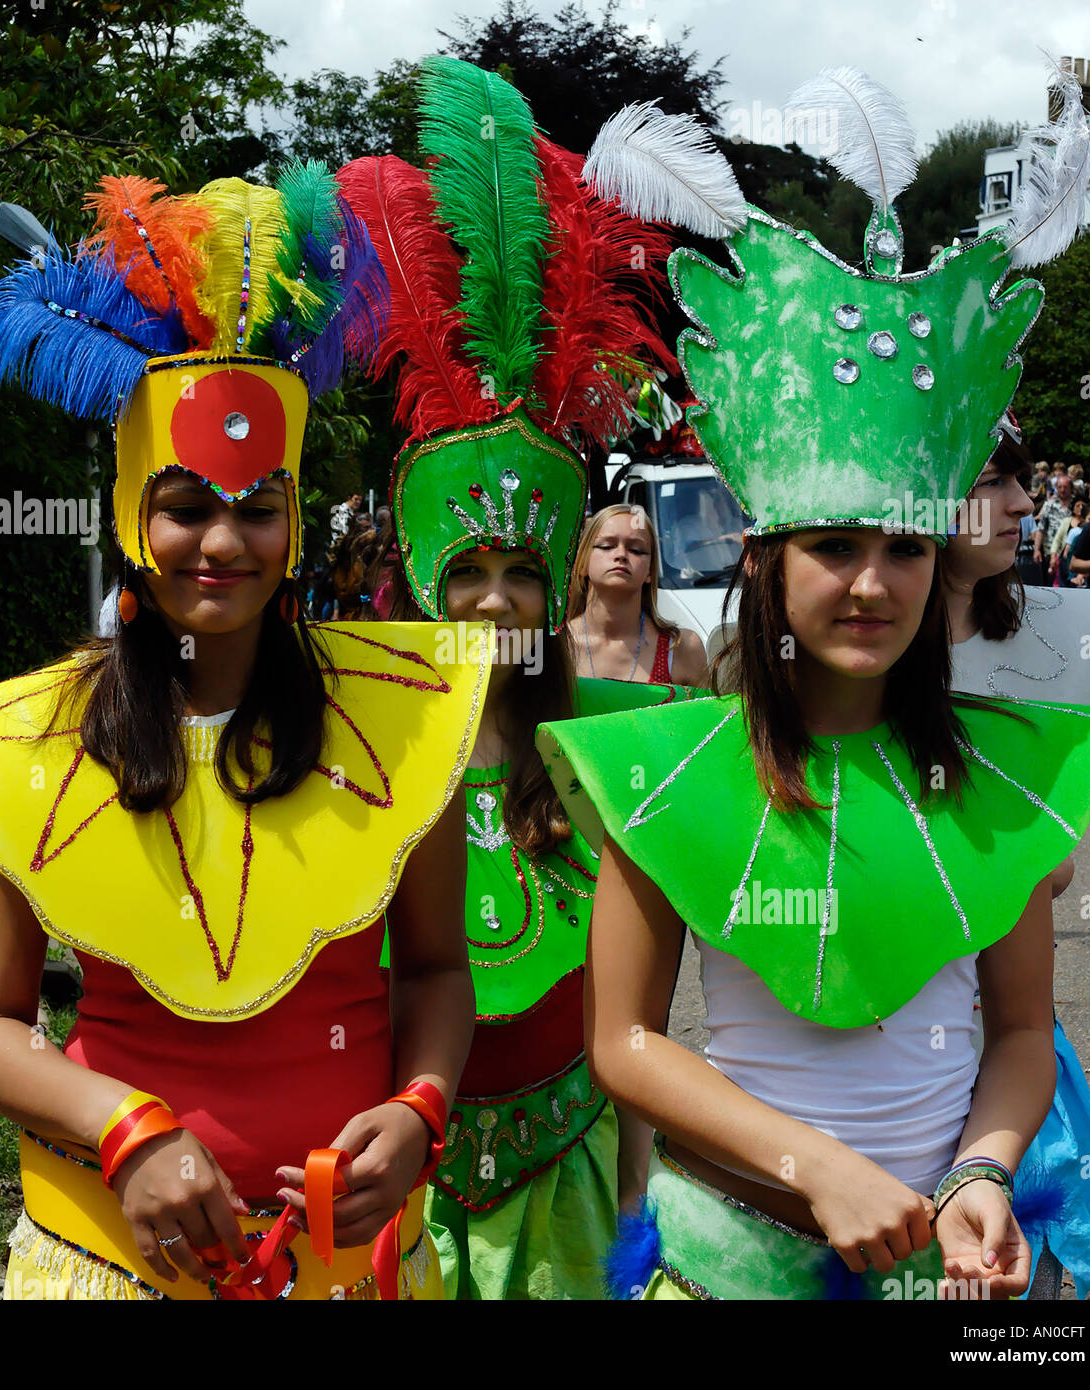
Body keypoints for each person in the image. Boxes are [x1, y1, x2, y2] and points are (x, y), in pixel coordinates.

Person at [540, 69, 1090, 1301]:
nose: (870, 584)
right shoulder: (666, 766)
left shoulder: (1006, 776)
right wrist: (815, 1171)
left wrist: (979, 1176)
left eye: (902, 547)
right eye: (833, 547)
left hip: (952, 1268)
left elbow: (1016, 1029)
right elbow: (623, 1041)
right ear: (765, 562)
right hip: (728, 1258)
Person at [0, 171, 491, 1301]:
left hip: (352, 1267)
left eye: (258, 505)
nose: (221, 542)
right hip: (101, 1259)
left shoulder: (407, 716)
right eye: (186, 506)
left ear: (294, 516)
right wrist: (123, 1126)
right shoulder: (23, 741)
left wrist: (417, 1107)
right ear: (136, 518)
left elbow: (432, 968)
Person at [340, 53, 686, 1299]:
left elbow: (638, 1019)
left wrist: (643, 1188)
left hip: (569, 1193)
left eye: (521, 573)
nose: (495, 601)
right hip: (390, 1199)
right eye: (468, 569)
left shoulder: (615, 750)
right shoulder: (354, 752)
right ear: (420, 581)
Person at [942, 425, 1090, 1297]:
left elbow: (1053, 867)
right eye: (991, 482)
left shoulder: (1073, 645)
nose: (1022, 504)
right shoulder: (826, 686)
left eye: (1021, 481)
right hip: (860, 1077)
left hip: (1013, 1047)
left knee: (1023, 1288)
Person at [567, 505, 708, 687]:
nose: (621, 555)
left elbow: (707, 715)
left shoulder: (682, 647)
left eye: (636, 550)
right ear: (582, 563)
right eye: (607, 546)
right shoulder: (554, 648)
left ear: (650, 570)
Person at [1033, 472, 1074, 575]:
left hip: (1070, 555)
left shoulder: (1077, 505)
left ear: (1071, 488)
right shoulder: (1049, 505)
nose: (1062, 490)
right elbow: (1041, 529)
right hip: (1050, 554)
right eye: (1060, 487)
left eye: (1065, 487)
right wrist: (1036, 550)